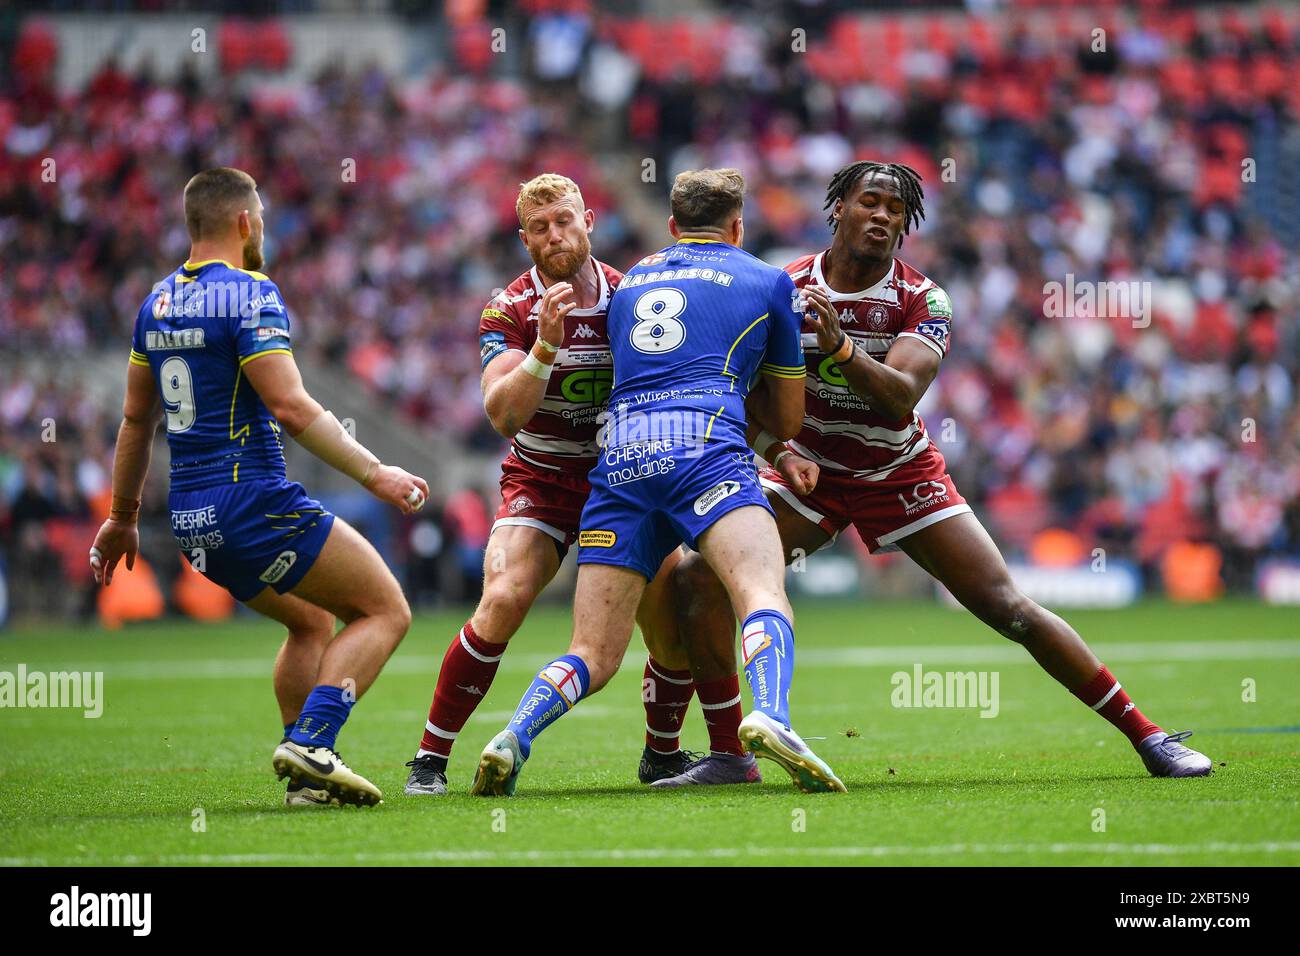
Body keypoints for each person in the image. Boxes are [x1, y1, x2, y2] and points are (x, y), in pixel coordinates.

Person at [658, 161, 1212, 786]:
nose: (882, 216)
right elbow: (743, 394)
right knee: (697, 575)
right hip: (809, 475)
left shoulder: (923, 299)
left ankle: (1149, 737)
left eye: (895, 209)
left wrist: (840, 347)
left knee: (1008, 607)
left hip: (898, 472)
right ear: (838, 209)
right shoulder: (782, 288)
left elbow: (899, 396)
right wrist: (778, 451)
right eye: (869, 202)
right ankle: (731, 755)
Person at [469, 168, 847, 796]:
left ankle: (514, 733)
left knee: (592, 652)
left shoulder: (632, 283)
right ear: (737, 227)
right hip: (705, 451)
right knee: (760, 592)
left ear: (672, 227)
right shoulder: (768, 280)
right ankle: (772, 716)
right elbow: (785, 418)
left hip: (620, 465)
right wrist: (777, 431)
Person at [89, 167, 429, 807]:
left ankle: (305, 780)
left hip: (191, 517)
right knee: (386, 610)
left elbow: (136, 420)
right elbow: (292, 407)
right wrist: (374, 472)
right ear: (245, 222)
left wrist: (123, 516)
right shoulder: (250, 293)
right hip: (250, 501)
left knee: (310, 622)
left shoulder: (154, 304)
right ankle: (314, 741)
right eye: (263, 218)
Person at [403, 174, 699, 797]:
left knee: (671, 619)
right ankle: (429, 760)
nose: (554, 235)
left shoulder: (633, 296)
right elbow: (503, 415)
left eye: (564, 221)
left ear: (588, 221)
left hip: (622, 481)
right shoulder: (508, 308)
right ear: (524, 239)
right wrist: (544, 348)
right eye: (539, 228)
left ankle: (662, 755)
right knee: (503, 599)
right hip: (541, 477)